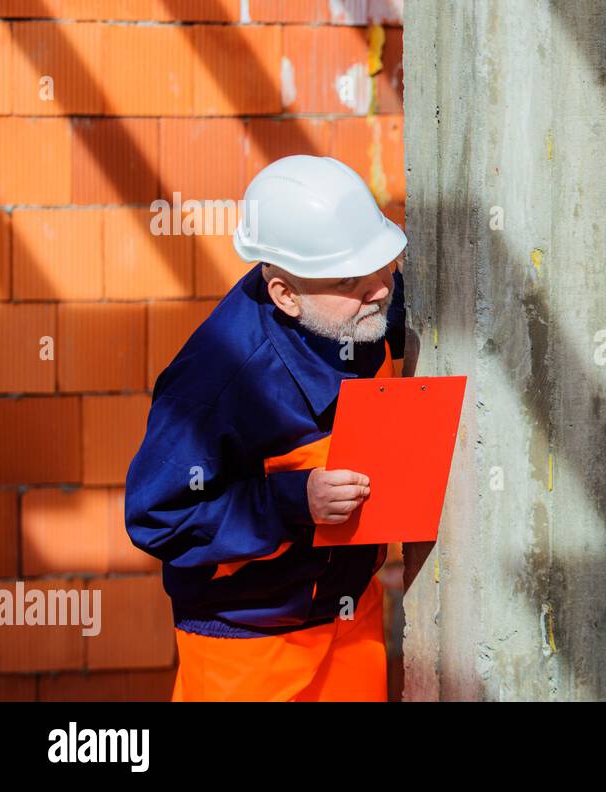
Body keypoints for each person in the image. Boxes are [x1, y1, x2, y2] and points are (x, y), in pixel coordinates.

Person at [125, 155, 407, 701]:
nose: (379, 290)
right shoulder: (215, 383)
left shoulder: (359, 305)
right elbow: (156, 519)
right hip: (249, 648)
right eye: (351, 277)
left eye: (383, 264)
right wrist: (293, 501)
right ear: (284, 294)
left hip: (350, 616)